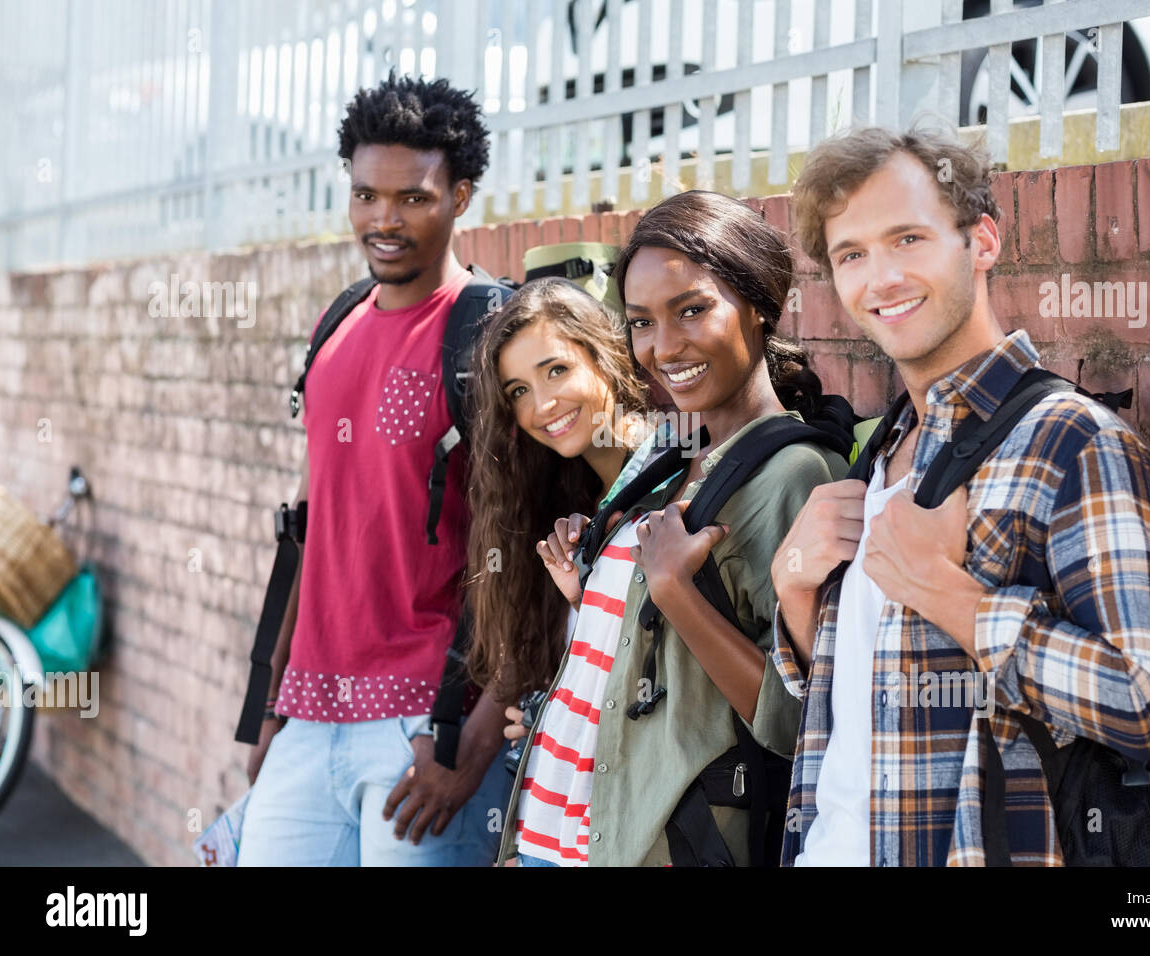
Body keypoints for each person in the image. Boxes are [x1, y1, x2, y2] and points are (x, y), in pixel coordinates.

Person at [771, 126, 1150, 866]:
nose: (881, 278)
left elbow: (1147, 700)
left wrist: (951, 597)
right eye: (852, 255)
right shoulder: (881, 449)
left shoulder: (1070, 441)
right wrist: (797, 596)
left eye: (908, 239)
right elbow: (862, 696)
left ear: (983, 241)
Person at [494, 191, 850, 867]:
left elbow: (798, 723)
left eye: (692, 310)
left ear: (758, 306)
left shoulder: (795, 476)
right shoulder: (670, 455)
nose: (664, 346)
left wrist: (673, 590)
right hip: (551, 833)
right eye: (642, 322)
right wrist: (595, 585)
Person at [237, 73, 512, 866]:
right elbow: (307, 526)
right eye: (366, 196)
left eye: (413, 199)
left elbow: (529, 545)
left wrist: (476, 736)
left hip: (426, 721)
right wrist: (268, 707)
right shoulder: (337, 323)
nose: (384, 221)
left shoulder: (489, 334)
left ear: (461, 196)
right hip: (308, 717)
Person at [464, 277, 649, 719]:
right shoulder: (579, 494)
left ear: (606, 354)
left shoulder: (663, 478)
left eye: (556, 370)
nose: (543, 404)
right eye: (519, 391)